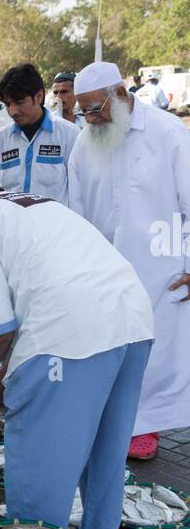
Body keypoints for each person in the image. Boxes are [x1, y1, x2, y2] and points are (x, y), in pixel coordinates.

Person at [0, 160, 154, 529]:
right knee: (104, 458)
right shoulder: (33, 203)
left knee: (38, 470)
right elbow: (28, 309)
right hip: (133, 324)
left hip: (70, 336)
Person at [68, 61, 190, 461]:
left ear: (120, 94)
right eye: (82, 109)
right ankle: (116, 421)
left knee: (155, 354)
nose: (89, 116)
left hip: (160, 270)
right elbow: (77, 208)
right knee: (111, 348)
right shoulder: (86, 142)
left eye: (94, 107)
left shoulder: (168, 133)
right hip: (105, 271)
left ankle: (145, 427)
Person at [0, 62, 79, 203]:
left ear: (39, 96)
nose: (12, 111)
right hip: (13, 224)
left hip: (55, 224)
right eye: (7, 104)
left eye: (19, 102)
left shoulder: (69, 134)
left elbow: (78, 190)